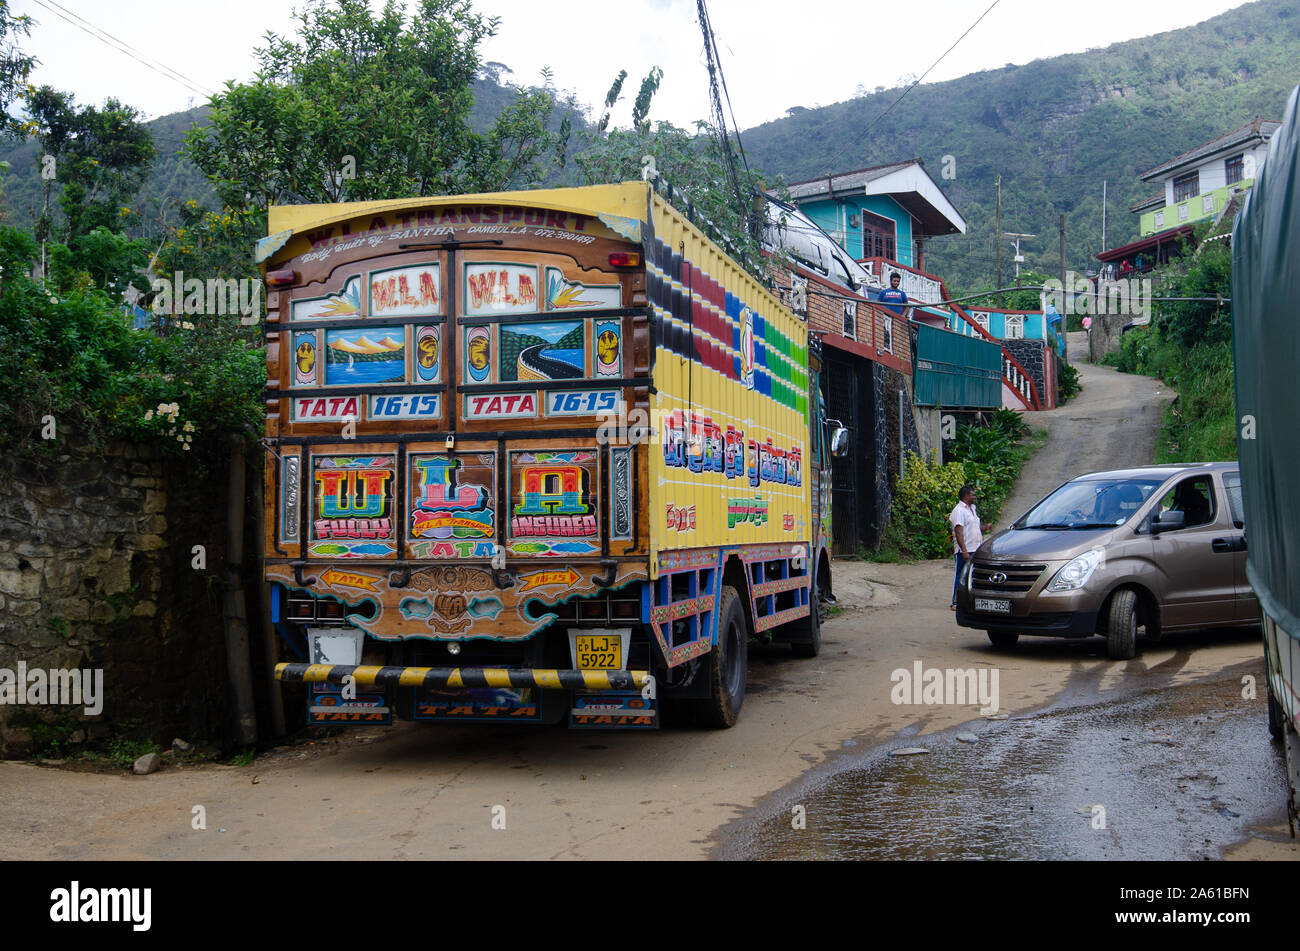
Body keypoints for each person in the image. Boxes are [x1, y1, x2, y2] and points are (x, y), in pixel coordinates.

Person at [949, 484, 983, 609]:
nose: (975, 496)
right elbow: (958, 532)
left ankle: (969, 601)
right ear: (966, 495)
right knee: (960, 575)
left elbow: (973, 528)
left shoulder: (972, 509)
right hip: (965, 549)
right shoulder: (959, 511)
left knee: (972, 575)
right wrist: (964, 550)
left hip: (975, 548)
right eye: (973, 494)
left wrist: (984, 529)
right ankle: (956, 601)